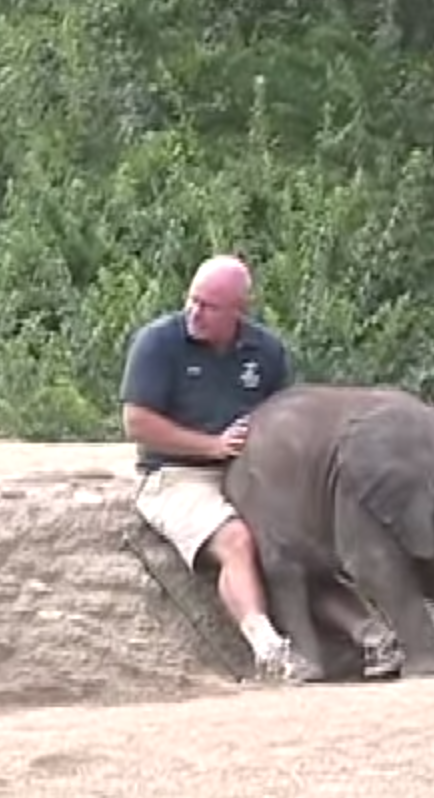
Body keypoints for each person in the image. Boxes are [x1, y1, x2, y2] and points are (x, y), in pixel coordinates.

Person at [118, 254, 310, 680]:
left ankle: (361, 633)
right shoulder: (158, 343)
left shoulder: (267, 351)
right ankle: (269, 649)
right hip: (175, 474)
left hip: (249, 471)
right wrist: (212, 446)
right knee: (236, 540)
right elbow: (137, 423)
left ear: (239, 311)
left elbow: (287, 412)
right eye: (192, 300)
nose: (195, 313)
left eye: (209, 306)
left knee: (302, 533)